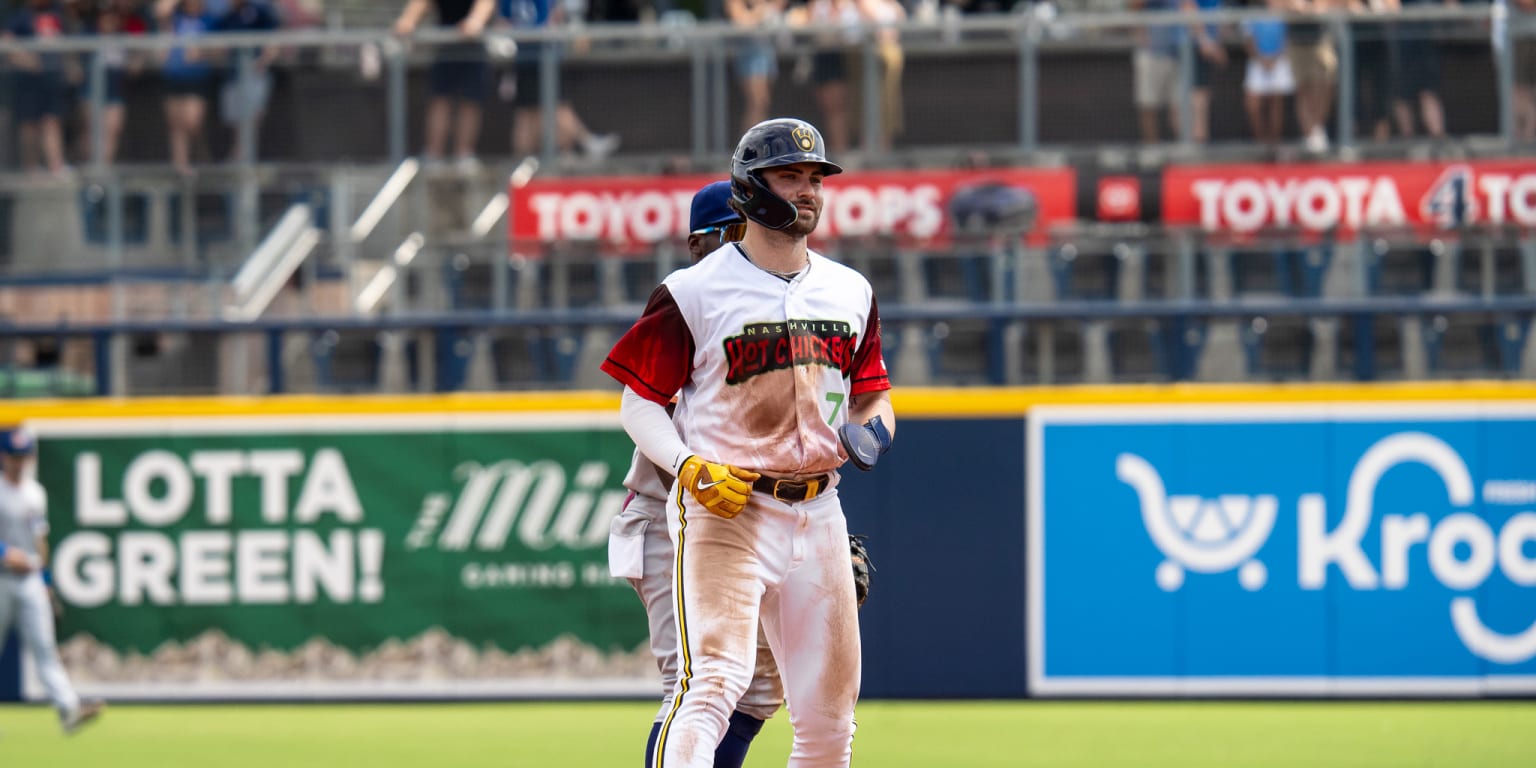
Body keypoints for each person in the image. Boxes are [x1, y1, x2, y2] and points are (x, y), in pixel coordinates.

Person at [602, 118, 894, 768]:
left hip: (815, 506)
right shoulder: (694, 292)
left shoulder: (849, 290)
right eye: (791, 175)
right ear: (750, 189)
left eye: (815, 177)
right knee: (709, 685)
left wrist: (874, 427)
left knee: (818, 718)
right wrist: (688, 466)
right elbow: (639, 401)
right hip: (717, 504)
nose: (809, 189)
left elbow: (871, 391)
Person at [0, 427, 105, 735]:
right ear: (3, 457)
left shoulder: (35, 493)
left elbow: (40, 541)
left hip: (30, 578)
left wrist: (45, 581)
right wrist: (5, 553)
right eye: (14, 457)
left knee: (45, 648)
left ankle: (69, 710)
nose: (19, 463)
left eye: (24, 457)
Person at [500, 0, 619, 160]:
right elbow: (550, 17)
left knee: (539, 111)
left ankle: (571, 148)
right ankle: (586, 142)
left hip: (532, 56)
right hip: (536, 55)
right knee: (536, 112)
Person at [393, 0, 498, 173]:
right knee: (440, 100)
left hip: (473, 46)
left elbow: (485, 4)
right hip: (445, 45)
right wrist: (408, 20)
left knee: (470, 102)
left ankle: (464, 155)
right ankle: (434, 154)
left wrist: (475, 21)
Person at [5, 0, 73, 177]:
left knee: (52, 121)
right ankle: (31, 166)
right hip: (28, 81)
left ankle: (55, 165)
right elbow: (6, 43)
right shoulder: (20, 17)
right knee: (29, 125)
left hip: (52, 79)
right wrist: (28, 60)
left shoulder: (58, 13)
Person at [155, 0, 219, 176]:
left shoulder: (209, 19)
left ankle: (201, 155)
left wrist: (202, 52)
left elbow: (221, 47)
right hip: (174, 77)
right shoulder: (176, 17)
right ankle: (180, 166)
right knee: (176, 125)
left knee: (192, 121)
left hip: (197, 79)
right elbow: (161, 10)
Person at [214, 0, 281, 164]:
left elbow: (273, 37)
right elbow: (216, 44)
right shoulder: (226, 16)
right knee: (238, 125)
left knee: (252, 121)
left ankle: (239, 162)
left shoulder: (260, 11)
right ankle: (238, 162)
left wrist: (262, 61)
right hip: (233, 77)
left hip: (255, 76)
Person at [725, 0, 786, 135]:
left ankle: (760, 142)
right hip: (749, 54)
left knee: (763, 103)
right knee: (757, 102)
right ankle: (749, 148)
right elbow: (741, 22)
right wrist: (762, 9)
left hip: (767, 51)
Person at [1241, 0, 1293, 146]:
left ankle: (1274, 144)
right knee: (1253, 105)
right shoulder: (1251, 12)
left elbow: (1287, 37)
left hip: (1279, 60)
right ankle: (1261, 143)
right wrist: (1261, 59)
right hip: (1257, 63)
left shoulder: (1283, 9)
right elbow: (1248, 39)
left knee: (1276, 103)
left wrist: (1276, 58)